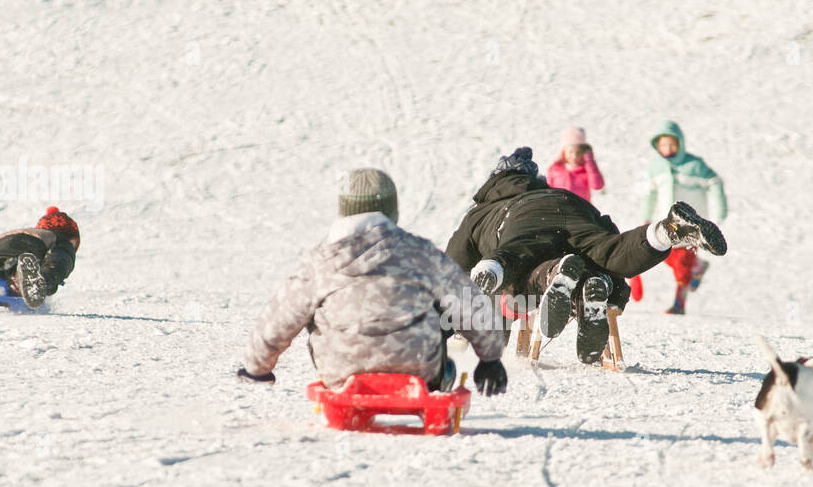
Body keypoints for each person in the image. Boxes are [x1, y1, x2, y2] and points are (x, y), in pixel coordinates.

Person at [237, 168, 507, 396]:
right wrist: (490, 358)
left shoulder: (322, 260)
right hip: (419, 369)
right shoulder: (420, 253)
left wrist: (257, 368)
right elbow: (467, 301)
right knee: (440, 349)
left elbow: (282, 314)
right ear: (392, 210)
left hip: (341, 372)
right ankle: (440, 375)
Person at [445, 147, 726, 364]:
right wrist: (614, 282)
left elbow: (452, 266)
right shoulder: (555, 190)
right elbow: (609, 234)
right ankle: (666, 231)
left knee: (520, 261)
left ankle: (496, 267)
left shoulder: (483, 210)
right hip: (575, 208)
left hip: (519, 219)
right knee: (609, 252)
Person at [635, 121, 728, 314]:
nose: (667, 149)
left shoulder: (694, 165)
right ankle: (699, 265)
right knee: (664, 256)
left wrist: (718, 213)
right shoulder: (656, 167)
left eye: (672, 144)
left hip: (690, 225)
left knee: (682, 263)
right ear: (657, 145)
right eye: (663, 145)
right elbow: (649, 193)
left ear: (680, 144)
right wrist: (646, 216)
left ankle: (679, 303)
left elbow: (715, 182)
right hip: (666, 223)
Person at [545, 126, 605, 204]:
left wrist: (590, 162)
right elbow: (547, 191)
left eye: (578, 152)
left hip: (581, 210)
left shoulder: (586, 170)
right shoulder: (555, 169)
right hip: (559, 209)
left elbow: (597, 185)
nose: (574, 156)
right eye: (570, 152)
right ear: (563, 152)